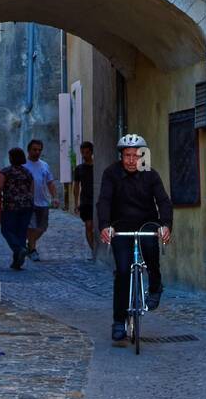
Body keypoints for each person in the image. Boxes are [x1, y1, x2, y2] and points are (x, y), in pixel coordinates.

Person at [97, 132, 172, 343]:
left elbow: (163, 201)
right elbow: (104, 201)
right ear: (121, 155)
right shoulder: (111, 173)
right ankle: (119, 321)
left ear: (142, 156)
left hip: (147, 223)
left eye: (136, 156)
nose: (131, 160)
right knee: (122, 271)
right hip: (121, 227)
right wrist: (104, 226)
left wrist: (165, 225)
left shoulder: (150, 175)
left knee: (151, 252)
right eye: (127, 155)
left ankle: (155, 287)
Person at [0, 147, 34, 271]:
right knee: (21, 232)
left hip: (11, 205)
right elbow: (32, 189)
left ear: (11, 158)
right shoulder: (27, 172)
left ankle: (18, 249)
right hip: (26, 206)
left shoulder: (5, 172)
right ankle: (17, 262)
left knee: (6, 230)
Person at [24, 137, 56, 260]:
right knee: (31, 227)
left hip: (43, 202)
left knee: (42, 228)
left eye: (39, 150)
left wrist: (54, 197)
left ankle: (28, 244)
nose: (37, 152)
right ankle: (32, 250)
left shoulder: (44, 165)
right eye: (34, 149)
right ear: (29, 150)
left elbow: (50, 183)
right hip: (29, 202)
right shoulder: (24, 165)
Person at [73, 141, 96, 251]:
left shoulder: (97, 167)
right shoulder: (79, 169)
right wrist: (76, 202)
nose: (84, 155)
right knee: (88, 226)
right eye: (82, 152)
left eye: (86, 152)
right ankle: (93, 250)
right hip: (86, 201)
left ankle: (99, 249)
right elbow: (76, 186)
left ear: (91, 152)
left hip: (97, 200)